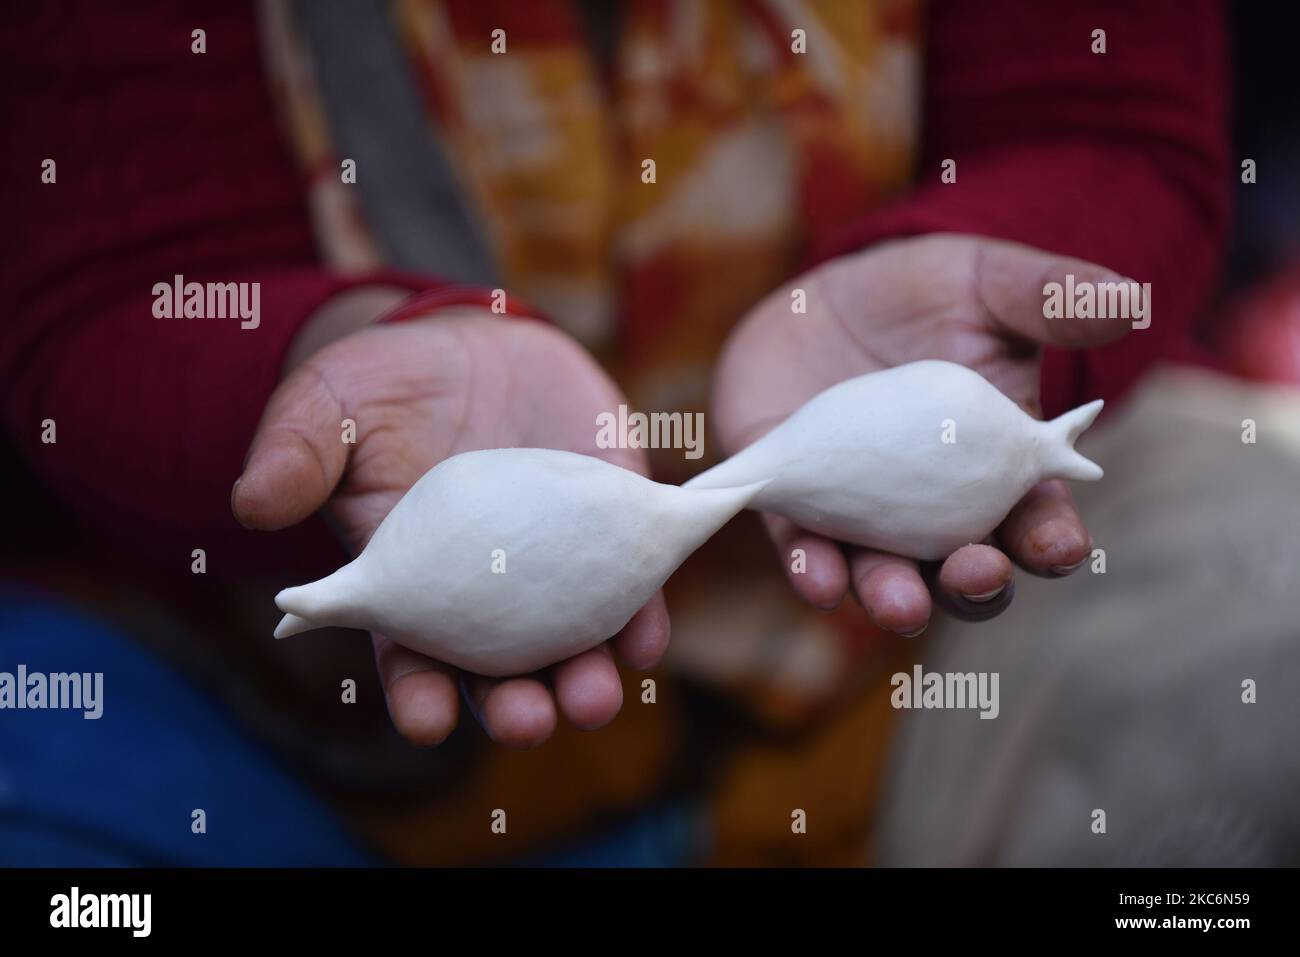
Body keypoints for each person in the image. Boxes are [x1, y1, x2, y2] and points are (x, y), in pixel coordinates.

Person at [1, 1, 1229, 863]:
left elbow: (1104, 116)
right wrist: (324, 361)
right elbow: (108, 287)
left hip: (878, 684)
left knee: (1253, 631)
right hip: (274, 710)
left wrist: (990, 278)